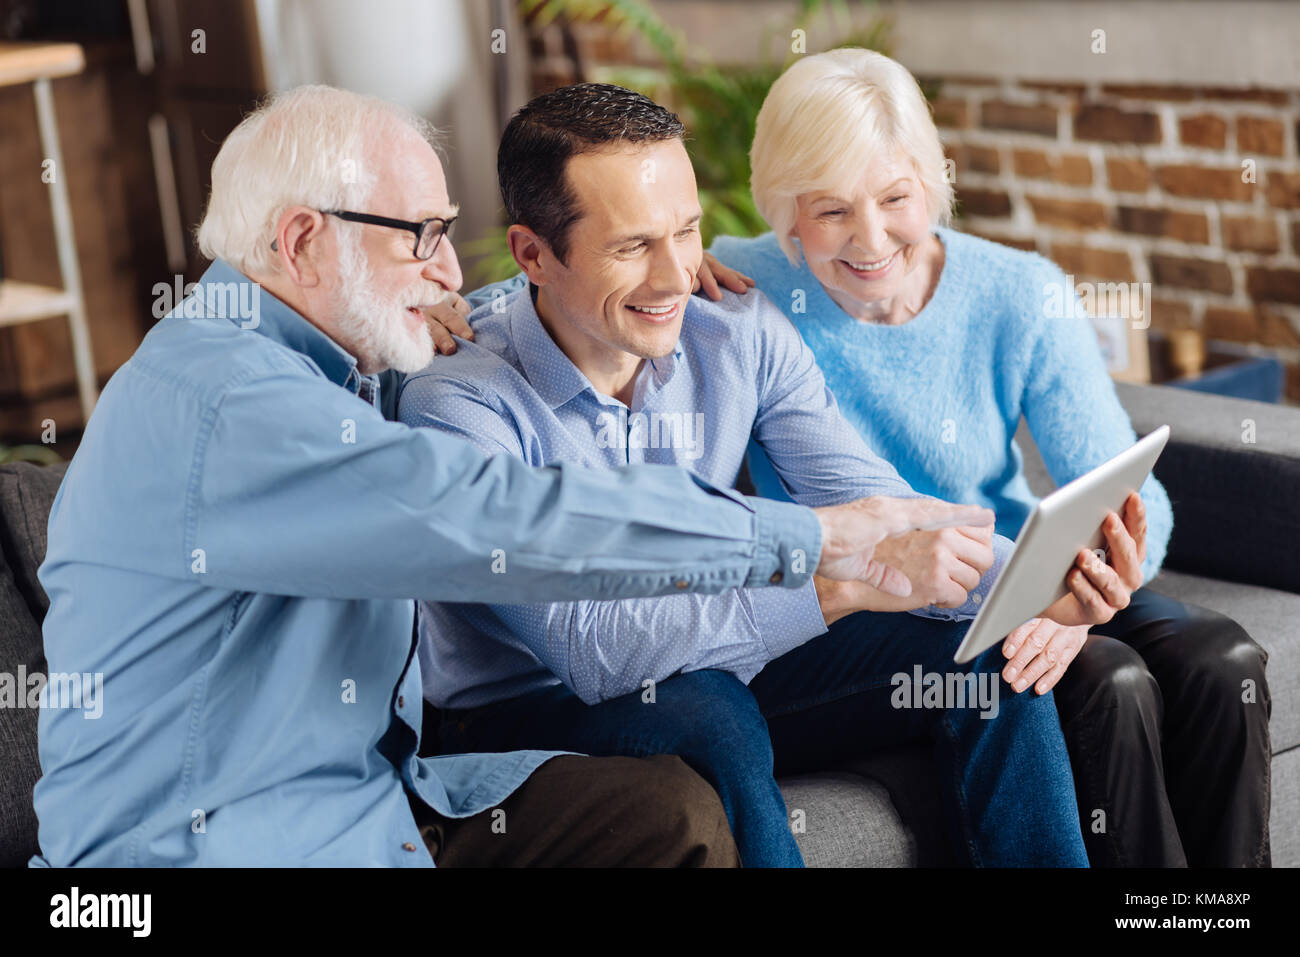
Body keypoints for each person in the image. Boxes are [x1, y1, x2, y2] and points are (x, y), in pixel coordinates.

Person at [30, 84, 972, 868]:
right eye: (421, 235)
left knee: (666, 817)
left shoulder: (327, 367)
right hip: (207, 853)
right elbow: (502, 518)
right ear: (303, 241)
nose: (448, 269)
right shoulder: (227, 398)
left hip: (387, 801)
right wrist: (812, 540)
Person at [400, 83, 1148, 867]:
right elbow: (598, 650)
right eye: (632, 246)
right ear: (532, 254)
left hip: (724, 652)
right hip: (535, 702)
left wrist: (1046, 583)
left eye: (686, 233)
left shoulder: (734, 329)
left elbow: (881, 507)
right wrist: (846, 585)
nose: (675, 278)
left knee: (981, 663)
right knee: (709, 710)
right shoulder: (458, 401)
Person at [706, 48, 1270, 867]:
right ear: (783, 212)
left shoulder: (1016, 291)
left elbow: (1131, 491)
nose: (870, 240)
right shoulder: (743, 284)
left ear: (932, 183)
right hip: (876, 609)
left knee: (1222, 661)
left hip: (1021, 568)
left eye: (896, 198)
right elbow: (597, 275)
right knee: (1110, 683)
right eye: (829, 211)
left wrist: (1086, 589)